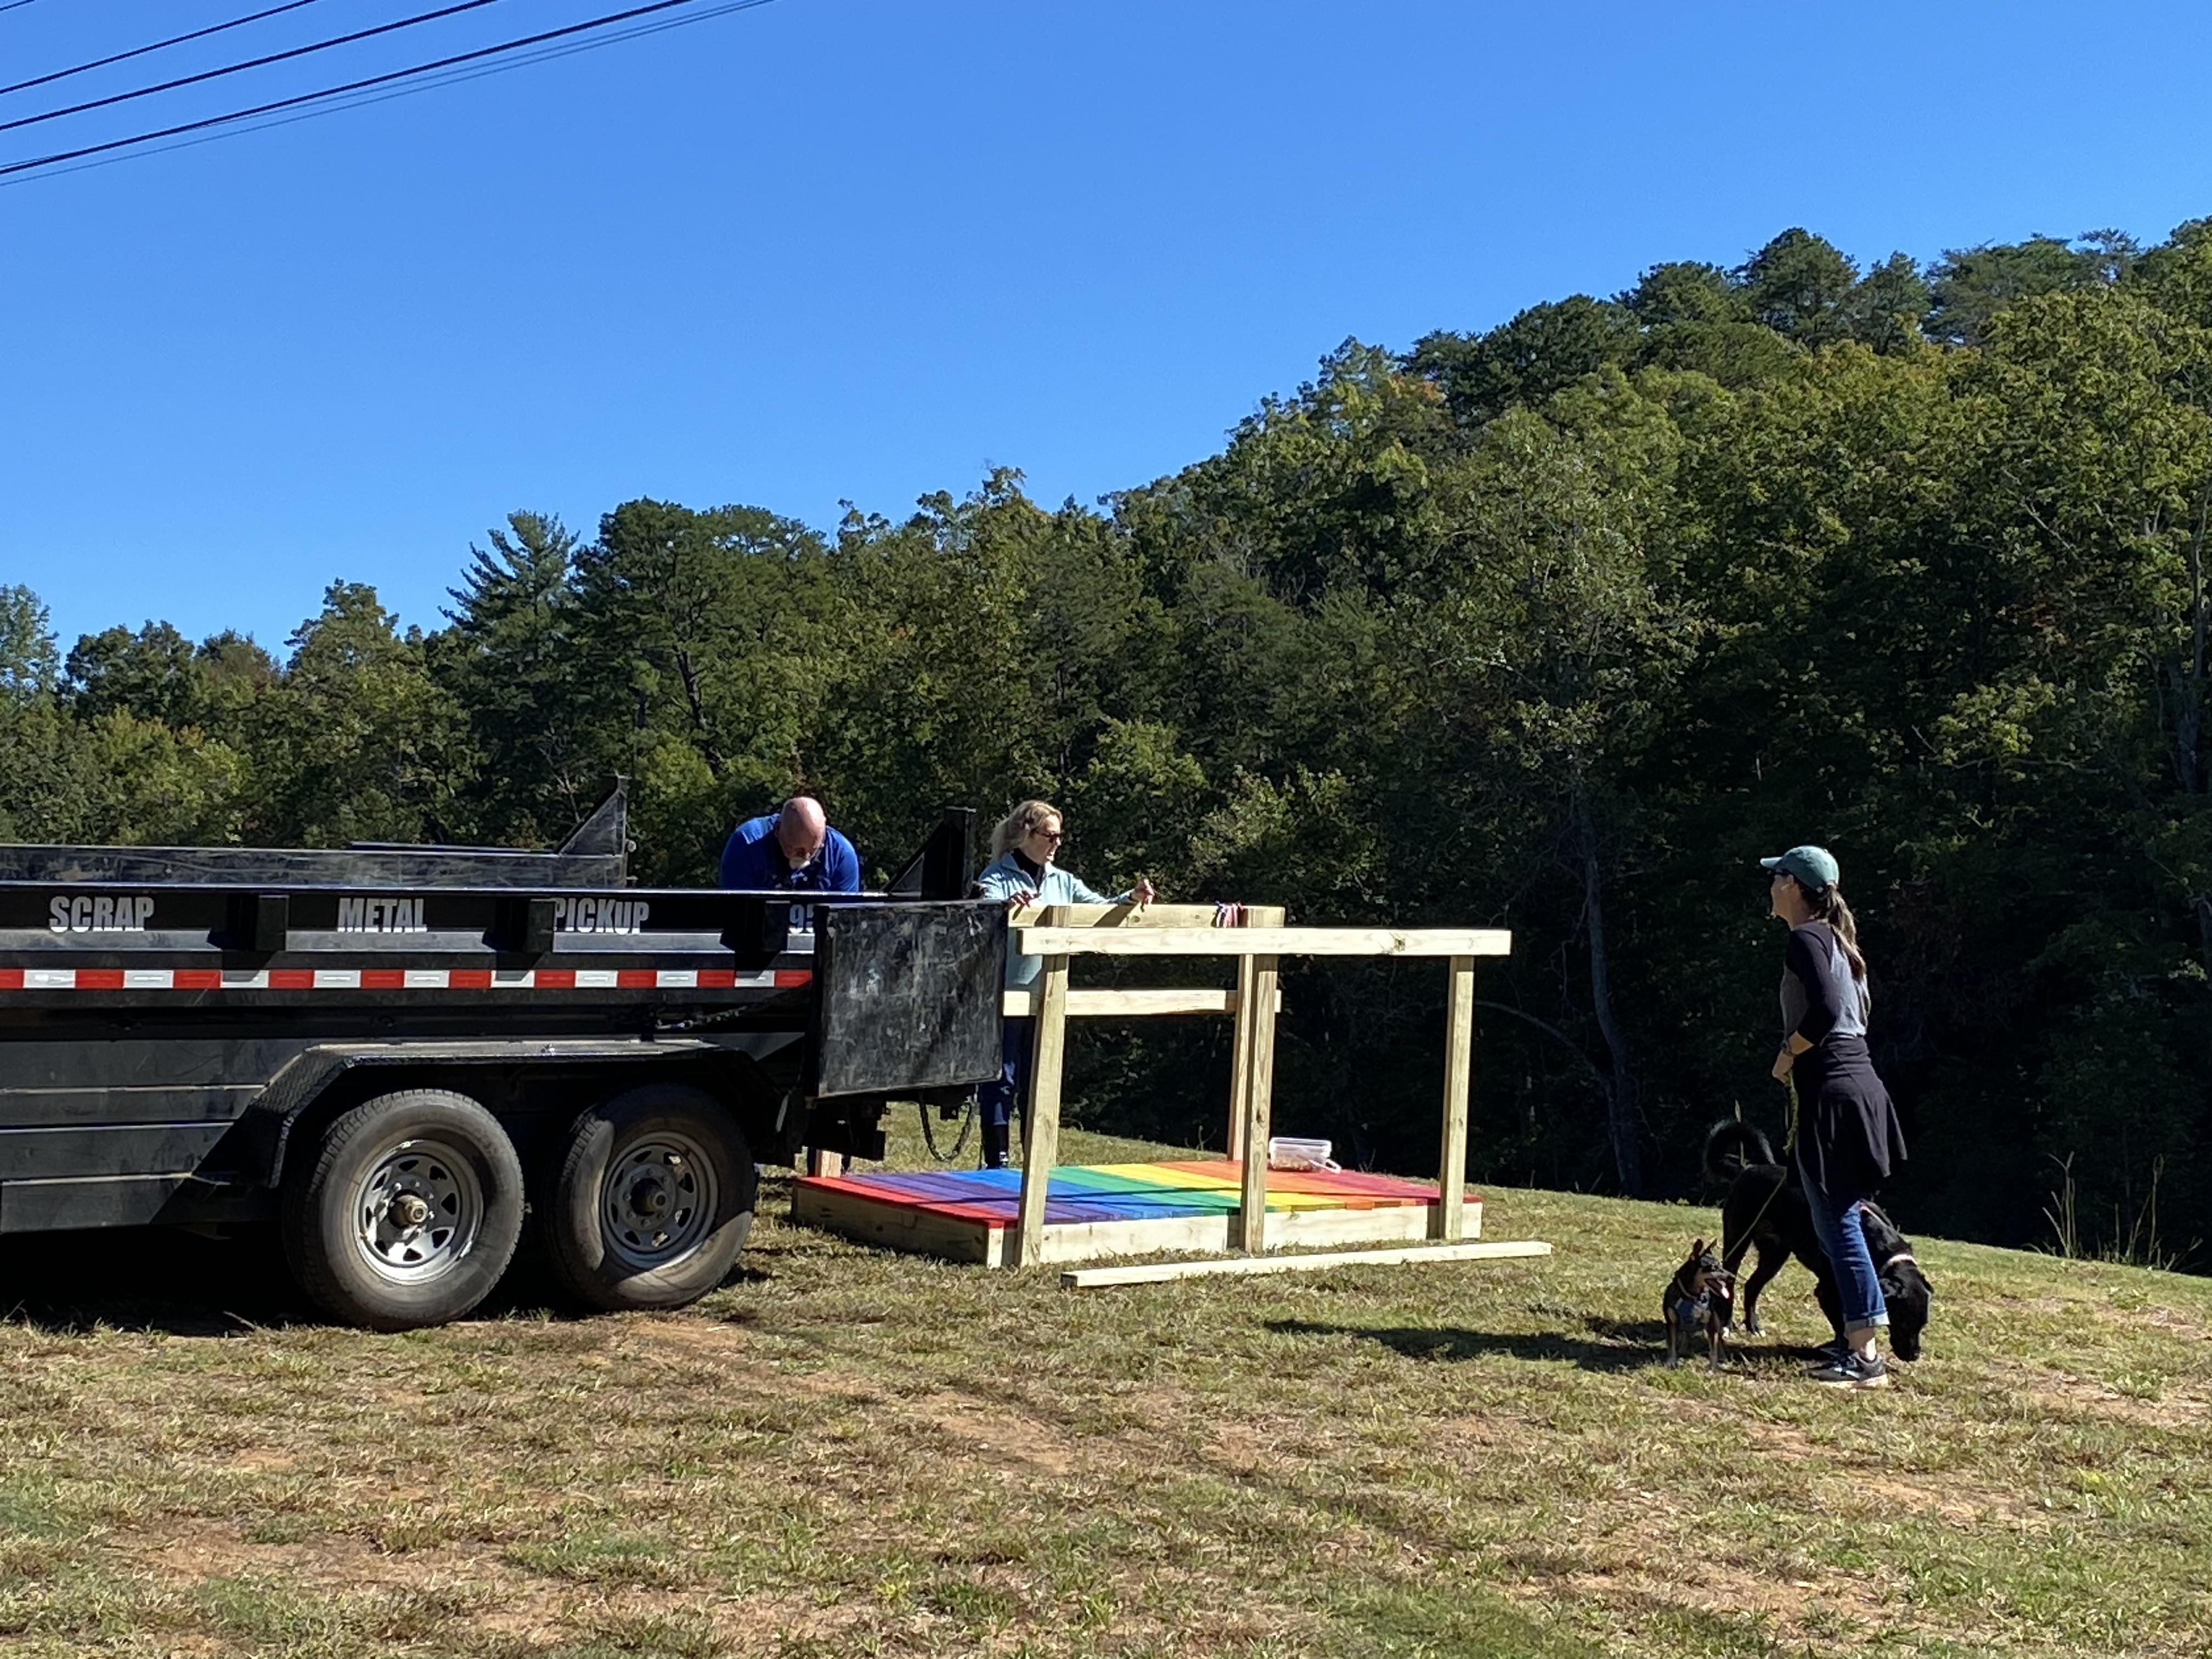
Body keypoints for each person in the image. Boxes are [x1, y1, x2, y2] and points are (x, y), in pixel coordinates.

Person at [1763, 843, 1909, 1390]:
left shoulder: (1805, 938)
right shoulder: (1840, 941)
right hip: (1856, 1086)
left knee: (1838, 1222)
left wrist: (1788, 1052)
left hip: (1832, 1090)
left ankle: (1865, 1356)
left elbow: (1825, 1010)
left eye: (1777, 876)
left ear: (1795, 887)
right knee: (1834, 1223)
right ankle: (1857, 1336)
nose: (1770, 884)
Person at [970, 799, 1156, 1171]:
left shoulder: (1063, 881)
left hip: (1048, 998)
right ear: (1026, 834)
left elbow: (1098, 910)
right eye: (1050, 835)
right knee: (1001, 1079)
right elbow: (984, 906)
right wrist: (1008, 904)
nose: (1057, 843)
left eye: (1060, 836)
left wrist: (1131, 899)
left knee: (1038, 1079)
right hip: (1006, 997)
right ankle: (998, 1162)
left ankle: (1036, 1160)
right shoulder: (997, 876)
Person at [718, 797, 861, 895]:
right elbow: (736, 916)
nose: (806, 858)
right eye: (798, 850)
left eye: (814, 850)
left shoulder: (841, 855)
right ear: (778, 829)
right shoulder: (747, 844)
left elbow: (845, 925)